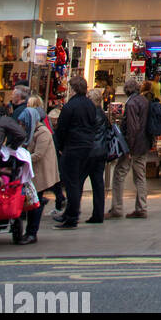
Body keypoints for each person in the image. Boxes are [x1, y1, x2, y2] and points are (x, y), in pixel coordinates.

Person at [52, 76, 101, 229]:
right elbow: (93, 125)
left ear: (73, 89)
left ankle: (71, 216)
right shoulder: (90, 105)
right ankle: (69, 214)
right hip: (87, 146)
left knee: (71, 182)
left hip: (72, 146)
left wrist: (59, 146)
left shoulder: (70, 106)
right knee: (76, 180)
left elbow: (62, 128)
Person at [109, 78, 150, 219]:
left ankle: (117, 207)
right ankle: (142, 207)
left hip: (133, 146)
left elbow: (132, 127)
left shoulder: (131, 103)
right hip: (143, 144)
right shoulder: (144, 101)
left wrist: (128, 149)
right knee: (140, 176)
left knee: (119, 174)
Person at [23, 101, 58, 244]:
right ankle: (30, 232)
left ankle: (32, 233)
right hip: (35, 172)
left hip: (41, 172)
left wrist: (22, 159)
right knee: (34, 200)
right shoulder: (33, 130)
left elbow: (38, 154)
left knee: (35, 202)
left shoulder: (42, 132)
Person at [84, 87, 109, 223]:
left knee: (78, 181)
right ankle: (98, 213)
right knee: (98, 183)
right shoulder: (102, 114)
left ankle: (72, 211)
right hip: (101, 151)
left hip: (90, 152)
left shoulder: (91, 114)